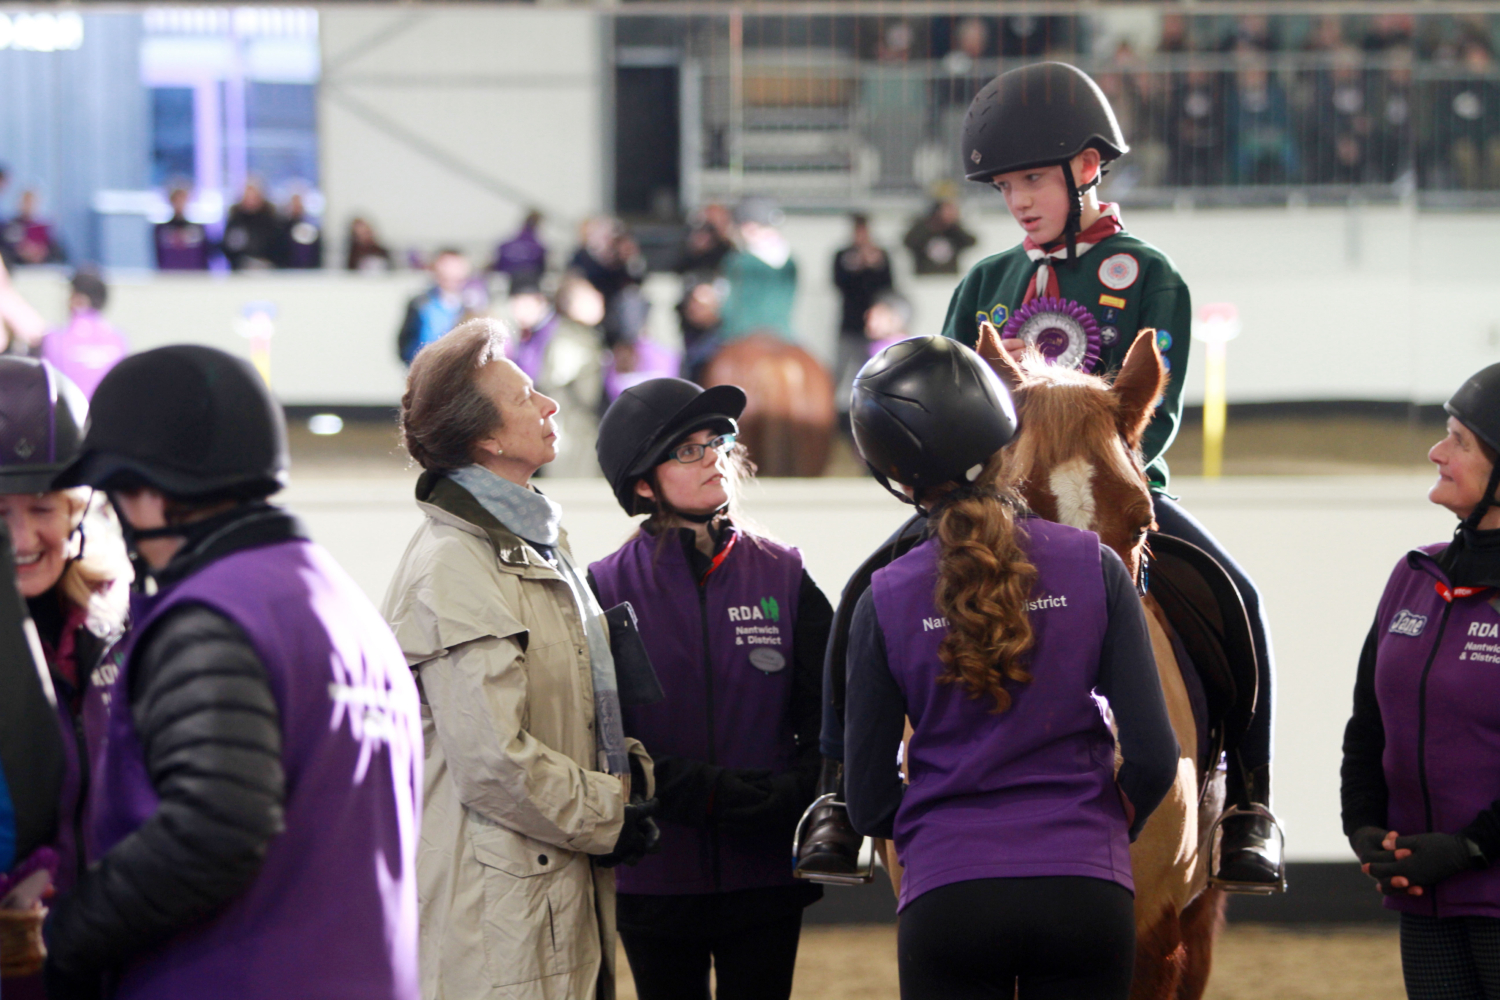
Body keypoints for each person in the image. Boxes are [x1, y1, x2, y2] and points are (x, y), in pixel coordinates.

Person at [940, 60, 1282, 889]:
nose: (1018, 199)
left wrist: (1092, 455)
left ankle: (1250, 807)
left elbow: (1150, 416)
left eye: (1032, 179)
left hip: (1118, 495)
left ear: (1087, 167)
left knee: (1237, 597)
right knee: (871, 588)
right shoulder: (986, 283)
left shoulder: (1150, 275)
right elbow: (957, 399)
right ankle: (843, 792)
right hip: (998, 505)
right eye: (1005, 186)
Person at [43, 344, 422, 999]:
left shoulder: (213, 617)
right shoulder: (346, 609)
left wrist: (65, 939)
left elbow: (213, 829)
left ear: (147, 492)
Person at [843, 336, 1178, 999]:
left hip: (948, 897)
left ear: (898, 477)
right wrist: (1108, 824)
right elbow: (1155, 757)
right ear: (1006, 436)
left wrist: (930, 829)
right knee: (1238, 597)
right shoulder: (1098, 568)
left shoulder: (881, 599)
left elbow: (868, 798)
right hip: (1085, 892)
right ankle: (1252, 792)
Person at [382, 319, 658, 1000]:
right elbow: (492, 760)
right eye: (526, 396)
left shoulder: (531, 542)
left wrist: (634, 774)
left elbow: (571, 706)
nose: (549, 405)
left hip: (544, 892)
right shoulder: (455, 567)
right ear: (487, 440)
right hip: (495, 917)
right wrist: (610, 812)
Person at [590, 379, 830, 1000]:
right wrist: (701, 791)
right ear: (643, 482)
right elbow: (597, 732)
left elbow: (831, 708)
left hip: (766, 870)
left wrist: (794, 793)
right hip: (655, 872)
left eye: (715, 443)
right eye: (687, 451)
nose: (713, 458)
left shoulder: (784, 573)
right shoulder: (601, 592)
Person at [1342, 363, 1500, 999]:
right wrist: (1363, 822)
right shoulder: (1416, 574)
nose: (1437, 452)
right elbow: (1369, 722)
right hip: (1425, 901)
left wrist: (1468, 850)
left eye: (1460, 441)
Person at [0, 359, 129, 995]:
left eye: (42, 506)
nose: (21, 536)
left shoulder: (129, 631)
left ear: (78, 510)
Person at [504, 279, 603, 478]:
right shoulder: (545, 334)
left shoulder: (569, 335)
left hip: (568, 428)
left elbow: (551, 380)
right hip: (554, 427)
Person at [832, 214, 893, 406]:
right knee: (838, 373)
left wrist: (874, 266)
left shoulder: (881, 255)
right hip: (849, 323)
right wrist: (857, 266)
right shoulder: (842, 256)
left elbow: (888, 287)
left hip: (874, 327)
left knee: (872, 373)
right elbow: (838, 283)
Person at [40, 271, 129, 399]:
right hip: (109, 414)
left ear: (78, 300)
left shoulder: (54, 338)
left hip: (69, 415)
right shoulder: (120, 338)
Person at [719, 198, 797, 342]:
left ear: (748, 228)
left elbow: (727, 304)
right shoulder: (791, 262)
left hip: (741, 332)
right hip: (783, 333)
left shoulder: (738, 261)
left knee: (699, 358)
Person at [397, 249, 479, 365]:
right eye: (446, 267)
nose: (451, 273)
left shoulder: (473, 304)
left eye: (456, 268)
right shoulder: (421, 304)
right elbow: (406, 345)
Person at [902, 199, 976, 276]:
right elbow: (908, 242)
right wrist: (927, 226)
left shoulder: (954, 232)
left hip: (949, 277)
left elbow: (971, 242)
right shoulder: (923, 230)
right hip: (924, 278)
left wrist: (955, 226)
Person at [220, 181, 282, 270]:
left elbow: (278, 244)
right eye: (248, 197)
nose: (251, 200)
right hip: (240, 268)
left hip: (268, 268)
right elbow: (228, 245)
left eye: (254, 197)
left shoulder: (271, 219)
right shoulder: (236, 219)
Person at [153, 186, 212, 271]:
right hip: (170, 275)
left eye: (182, 199)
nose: (180, 203)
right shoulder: (161, 230)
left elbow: (204, 254)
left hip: (194, 276)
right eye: (177, 200)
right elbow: (159, 256)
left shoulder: (198, 229)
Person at [2, 191, 65, 267]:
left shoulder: (43, 228)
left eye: (31, 202)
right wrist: (21, 252)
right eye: (25, 202)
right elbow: (5, 251)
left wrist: (42, 253)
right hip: (17, 268)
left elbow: (59, 254)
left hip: (41, 269)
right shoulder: (9, 227)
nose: (28, 206)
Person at [494, 210, 547, 287]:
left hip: (505, 283)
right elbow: (542, 269)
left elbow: (496, 265)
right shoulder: (538, 248)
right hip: (527, 285)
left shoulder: (505, 245)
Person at [276, 192, 322, 269]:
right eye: (294, 203)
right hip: (287, 269)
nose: (297, 206)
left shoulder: (311, 226)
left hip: (309, 269)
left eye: (299, 203)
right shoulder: (282, 227)